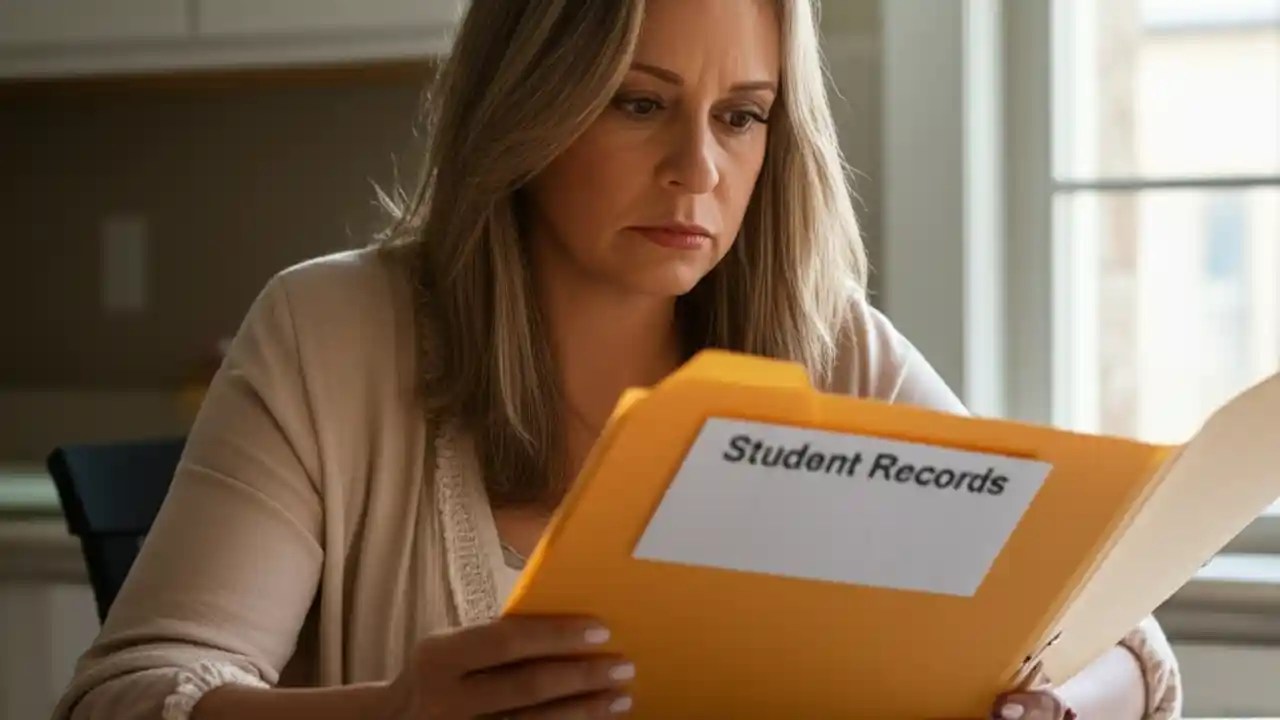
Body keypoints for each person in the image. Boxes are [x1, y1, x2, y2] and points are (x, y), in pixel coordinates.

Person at [51, 1, 1181, 719]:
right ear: (526, 108)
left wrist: (1060, 708)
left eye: (741, 117)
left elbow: (1120, 637)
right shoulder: (328, 333)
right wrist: (392, 714)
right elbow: (130, 697)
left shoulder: (830, 347)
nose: (696, 169)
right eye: (639, 104)